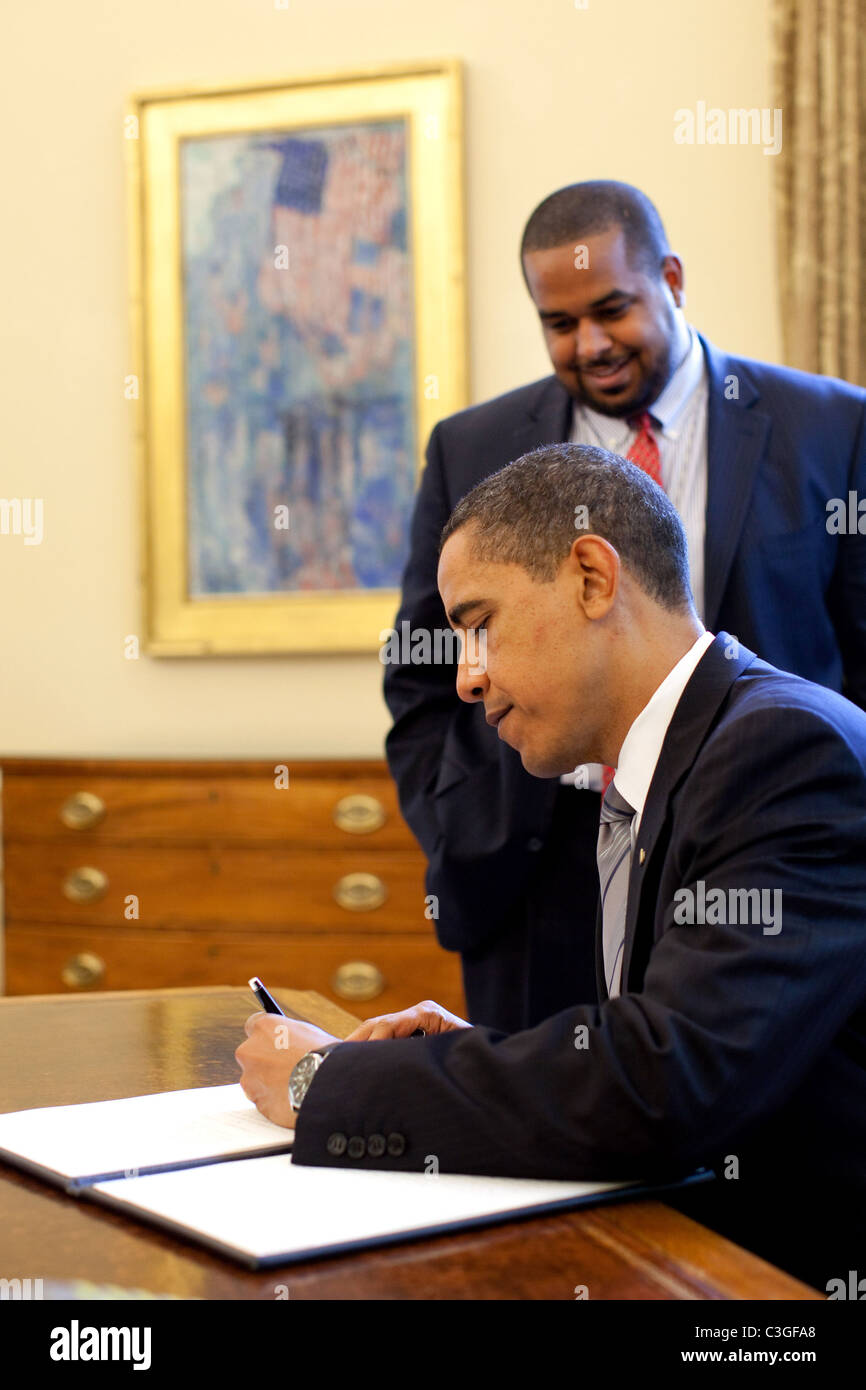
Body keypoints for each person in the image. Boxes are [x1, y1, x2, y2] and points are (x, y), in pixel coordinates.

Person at [236, 445, 866, 1292]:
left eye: (479, 623)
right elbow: (659, 1050)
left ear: (593, 579)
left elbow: (665, 1086)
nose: (466, 678)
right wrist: (476, 1062)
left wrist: (330, 1081)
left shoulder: (783, 752)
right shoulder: (680, 758)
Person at [383, 180, 866, 1032]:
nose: (591, 344)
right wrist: (454, 821)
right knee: (521, 1115)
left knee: (681, 1096)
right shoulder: (472, 446)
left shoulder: (829, 427)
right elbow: (423, 668)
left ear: (672, 280)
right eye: (559, 324)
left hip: (741, 843)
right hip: (524, 868)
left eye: (613, 310)